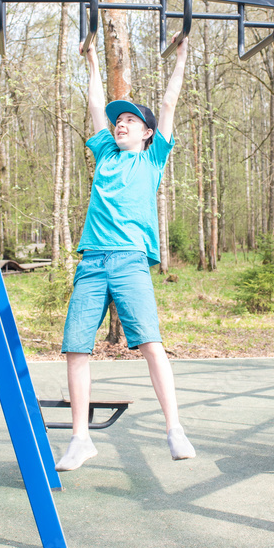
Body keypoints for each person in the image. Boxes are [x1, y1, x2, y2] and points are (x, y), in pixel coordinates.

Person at [54, 36, 195, 472]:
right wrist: (93, 60)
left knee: (151, 344)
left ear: (147, 132)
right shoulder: (105, 155)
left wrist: (184, 56)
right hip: (92, 262)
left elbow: (169, 105)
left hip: (131, 260)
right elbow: (97, 104)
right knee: (76, 348)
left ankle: (174, 429)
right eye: (119, 122)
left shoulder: (151, 160)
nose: (121, 124)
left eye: (130, 121)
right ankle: (80, 438)